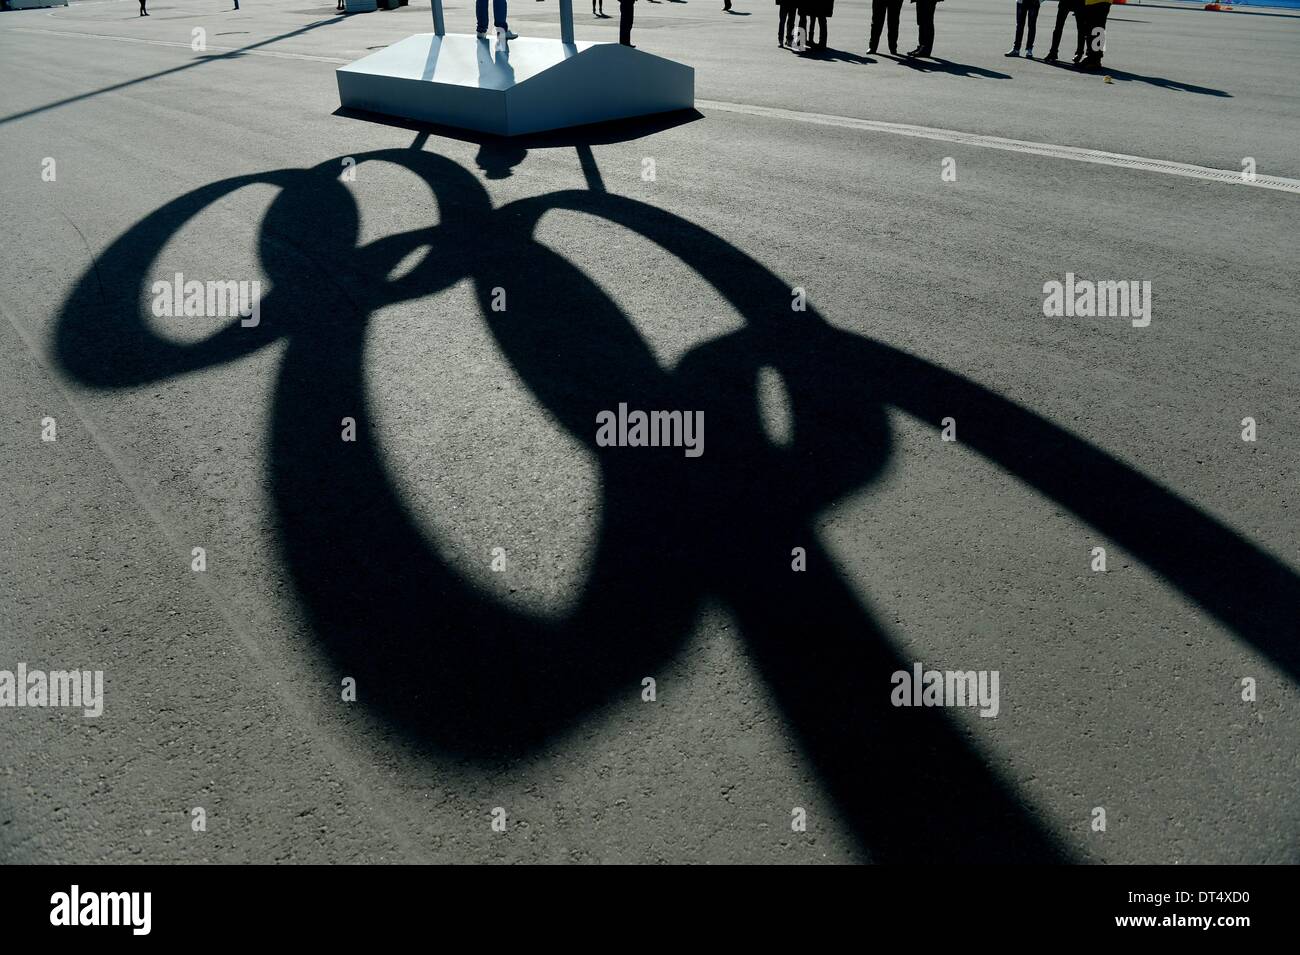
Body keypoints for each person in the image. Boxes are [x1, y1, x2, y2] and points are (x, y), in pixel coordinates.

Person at [1079, 0, 1111, 69]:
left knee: (1095, 30)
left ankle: (1094, 59)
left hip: (1097, 2)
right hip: (1097, 2)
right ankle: (1093, 57)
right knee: (1096, 30)